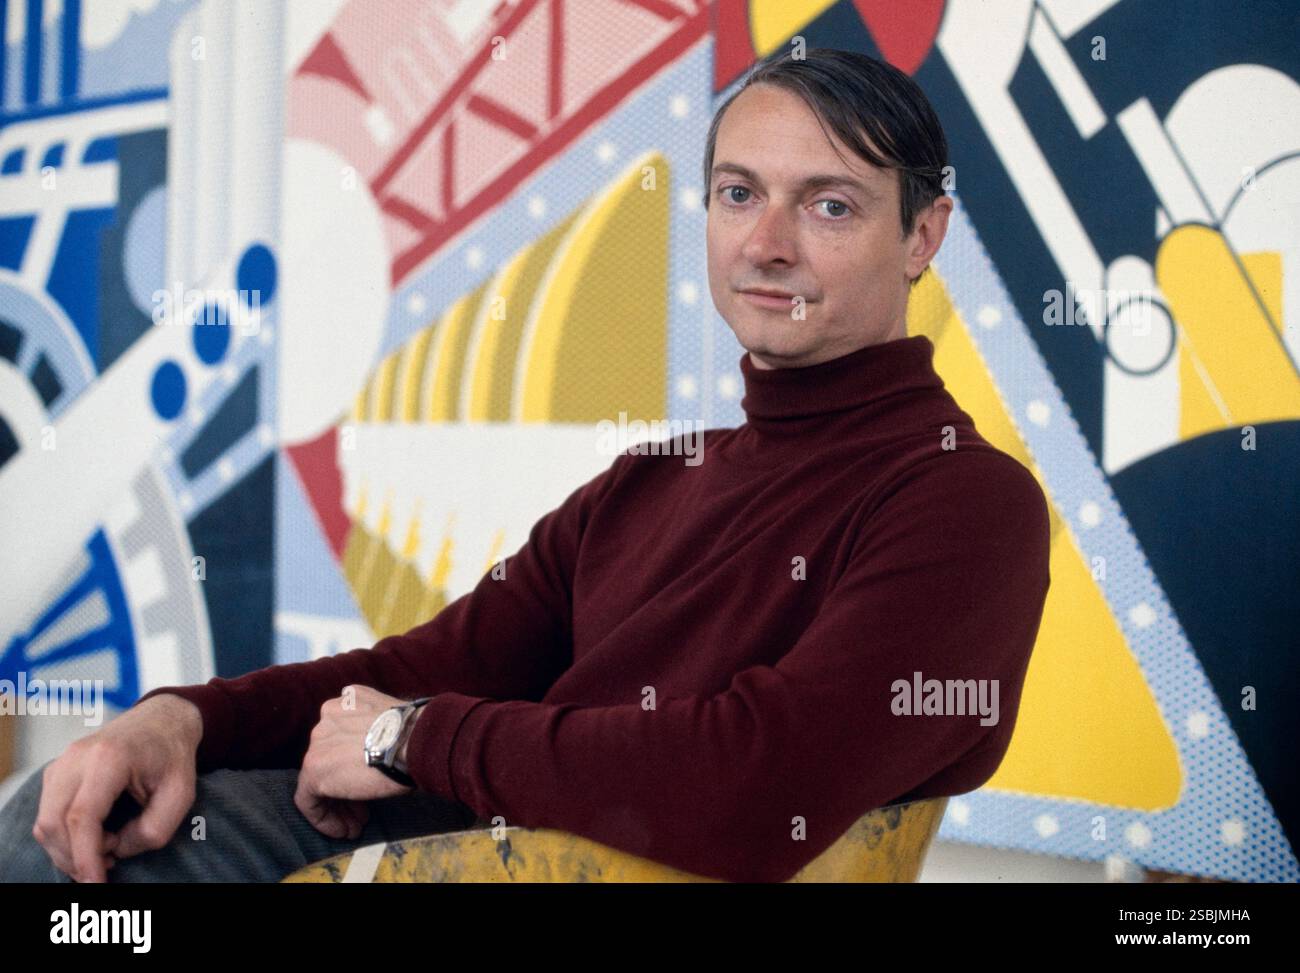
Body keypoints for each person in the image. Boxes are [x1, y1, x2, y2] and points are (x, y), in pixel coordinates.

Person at [0, 47, 1051, 884]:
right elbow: (428, 664)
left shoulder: (965, 501)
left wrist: (414, 739)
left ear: (922, 234)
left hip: (534, 859)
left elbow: (755, 782)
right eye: (738, 194)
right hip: (471, 841)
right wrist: (178, 719)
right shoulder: (653, 480)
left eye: (828, 206)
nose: (765, 243)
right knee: (73, 815)